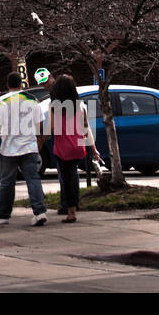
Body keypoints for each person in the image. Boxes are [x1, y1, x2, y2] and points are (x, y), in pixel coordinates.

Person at [0, 71, 48, 226]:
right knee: (33, 179)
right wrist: (38, 140)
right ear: (21, 84)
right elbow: (40, 124)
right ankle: (40, 211)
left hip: (9, 149)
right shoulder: (32, 100)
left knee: (7, 183)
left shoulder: (1, 103)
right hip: (29, 147)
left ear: (7, 85)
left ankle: (3, 216)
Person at [49, 73, 99, 223]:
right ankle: (75, 204)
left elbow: (52, 128)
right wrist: (94, 149)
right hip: (78, 148)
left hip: (63, 149)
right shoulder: (81, 106)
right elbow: (86, 128)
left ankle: (71, 212)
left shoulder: (54, 107)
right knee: (73, 176)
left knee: (67, 180)